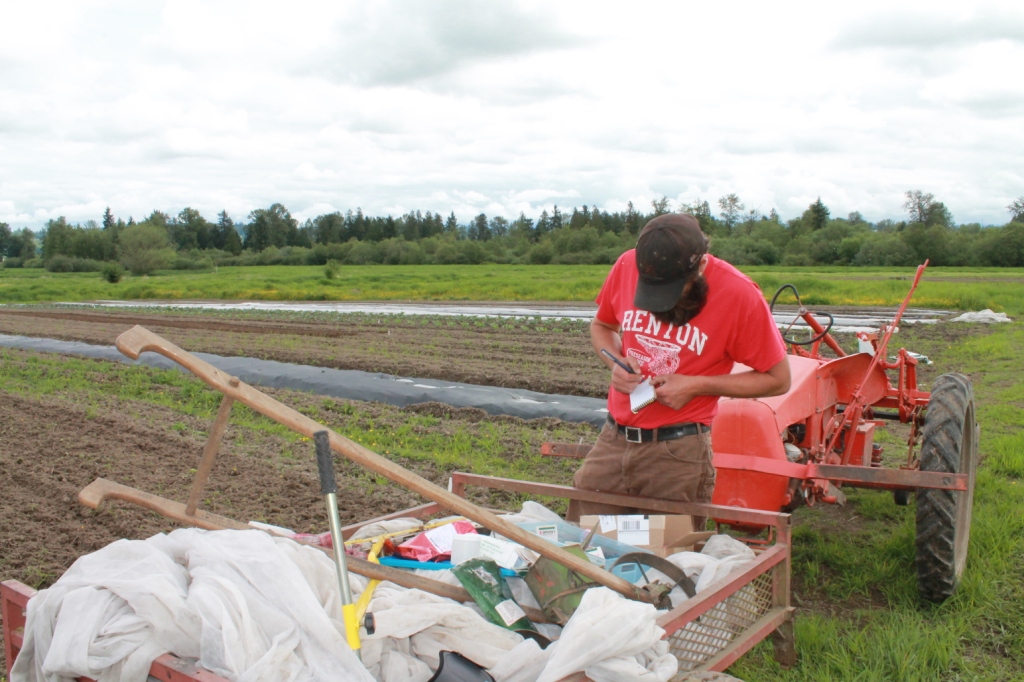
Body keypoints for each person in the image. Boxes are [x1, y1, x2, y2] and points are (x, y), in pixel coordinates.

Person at [568, 213, 791, 523]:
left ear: (699, 266)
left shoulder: (740, 295)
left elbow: (778, 379)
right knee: (586, 544)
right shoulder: (626, 265)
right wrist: (614, 361)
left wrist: (696, 385)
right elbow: (602, 326)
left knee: (664, 560)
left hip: (678, 453)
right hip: (613, 441)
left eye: (672, 290)